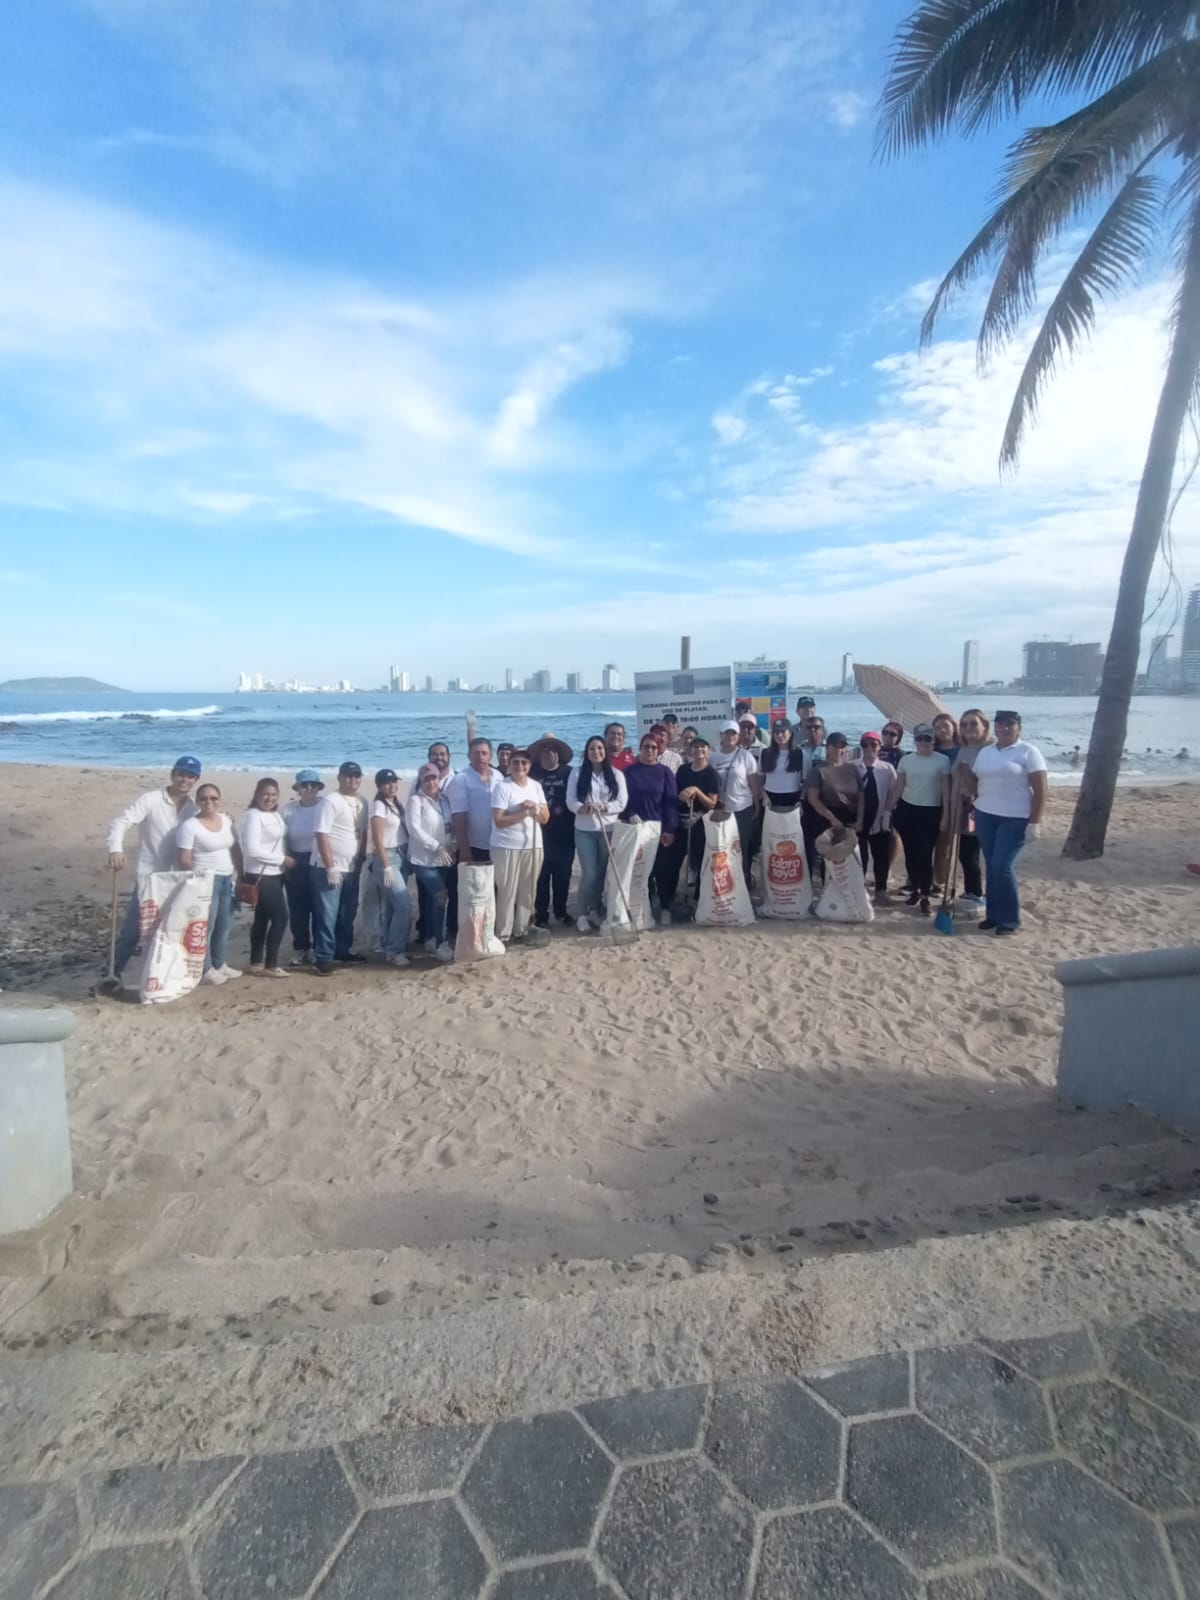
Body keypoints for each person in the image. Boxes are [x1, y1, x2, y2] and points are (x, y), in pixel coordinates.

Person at [104, 755, 201, 983]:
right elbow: (121, 822)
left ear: (195, 779)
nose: (184, 779)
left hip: (178, 878)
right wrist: (115, 849)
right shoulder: (151, 799)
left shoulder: (194, 809)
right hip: (149, 877)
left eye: (190, 776)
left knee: (171, 930)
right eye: (180, 774)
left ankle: (165, 976)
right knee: (132, 930)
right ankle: (111, 974)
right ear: (172, 774)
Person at [962, 710, 1047, 935]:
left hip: (1015, 817)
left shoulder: (1028, 752)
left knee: (1002, 866)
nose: (1004, 728)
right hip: (985, 814)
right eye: (1000, 724)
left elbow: (1040, 789)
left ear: (1018, 727)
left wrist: (1035, 822)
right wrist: (964, 773)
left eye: (1010, 724)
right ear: (995, 727)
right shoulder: (986, 752)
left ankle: (1009, 920)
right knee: (991, 866)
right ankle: (993, 915)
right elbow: (976, 786)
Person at [176, 782, 243, 983]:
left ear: (220, 800)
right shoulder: (190, 826)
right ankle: (205, 970)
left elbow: (234, 848)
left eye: (213, 798)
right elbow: (184, 858)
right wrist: (195, 871)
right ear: (197, 801)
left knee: (224, 925)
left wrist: (240, 872)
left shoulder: (226, 820)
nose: (209, 802)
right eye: (204, 798)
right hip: (206, 882)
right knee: (207, 926)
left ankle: (219, 963)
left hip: (227, 879)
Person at [309, 760, 366, 975]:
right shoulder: (330, 801)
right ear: (340, 778)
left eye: (357, 776)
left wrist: (360, 858)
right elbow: (321, 833)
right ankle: (324, 956)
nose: (353, 780)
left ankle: (343, 950)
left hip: (351, 867)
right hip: (327, 868)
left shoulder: (362, 801)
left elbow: (363, 832)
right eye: (349, 776)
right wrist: (330, 865)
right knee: (327, 914)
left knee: (347, 913)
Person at [567, 735, 627, 931]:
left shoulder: (616, 774)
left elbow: (621, 802)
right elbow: (570, 801)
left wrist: (605, 806)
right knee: (589, 874)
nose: (596, 752)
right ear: (587, 752)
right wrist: (582, 808)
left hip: (608, 829)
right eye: (592, 749)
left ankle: (595, 908)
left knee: (602, 873)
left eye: (600, 748)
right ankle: (582, 913)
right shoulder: (577, 773)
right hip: (584, 830)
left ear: (606, 751)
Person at [891, 725, 951, 915]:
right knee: (910, 854)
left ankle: (925, 895)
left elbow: (946, 791)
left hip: (931, 811)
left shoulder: (943, 761)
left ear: (933, 741)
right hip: (906, 810)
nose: (923, 742)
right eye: (920, 739)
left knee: (925, 855)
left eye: (927, 739)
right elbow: (899, 786)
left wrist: (946, 815)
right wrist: (887, 809)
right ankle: (915, 890)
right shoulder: (906, 760)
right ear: (915, 740)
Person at [490, 750, 548, 941]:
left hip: (533, 845)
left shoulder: (536, 786)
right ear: (509, 764)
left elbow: (545, 818)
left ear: (529, 765)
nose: (520, 766)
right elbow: (499, 821)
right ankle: (503, 933)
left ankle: (522, 929)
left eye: (524, 762)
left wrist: (535, 809)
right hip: (506, 846)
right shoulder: (502, 787)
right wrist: (524, 812)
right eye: (515, 762)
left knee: (528, 891)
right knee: (507, 891)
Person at [238, 777, 290, 976]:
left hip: (275, 873)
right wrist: (282, 859)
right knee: (281, 918)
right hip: (261, 874)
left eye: (273, 794)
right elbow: (252, 850)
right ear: (257, 794)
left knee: (262, 918)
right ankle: (271, 964)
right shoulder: (253, 816)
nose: (269, 798)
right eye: (265, 794)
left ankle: (255, 961)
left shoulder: (275, 815)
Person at [661, 733, 721, 906]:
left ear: (708, 750)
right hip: (681, 823)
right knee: (672, 863)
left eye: (703, 746)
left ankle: (697, 901)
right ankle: (668, 902)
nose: (699, 749)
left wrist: (696, 790)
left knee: (701, 863)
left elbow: (711, 803)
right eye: (696, 746)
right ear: (690, 749)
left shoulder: (711, 774)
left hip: (700, 824)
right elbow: (675, 795)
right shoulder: (682, 770)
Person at [623, 732, 679, 913]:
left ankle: (664, 907)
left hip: (659, 830)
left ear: (658, 750)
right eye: (646, 746)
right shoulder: (630, 772)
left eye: (653, 747)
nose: (649, 750)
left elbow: (671, 802)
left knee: (662, 870)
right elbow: (623, 801)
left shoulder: (665, 772)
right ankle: (641, 908)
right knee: (639, 870)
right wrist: (630, 814)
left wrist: (669, 829)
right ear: (640, 748)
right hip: (636, 828)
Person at [406, 763, 457, 960]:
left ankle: (429, 938)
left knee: (431, 901)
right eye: (426, 779)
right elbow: (415, 830)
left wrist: (453, 843)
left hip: (443, 859)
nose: (430, 782)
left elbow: (450, 825)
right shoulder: (416, 801)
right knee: (440, 895)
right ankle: (439, 942)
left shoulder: (445, 800)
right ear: (421, 781)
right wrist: (437, 846)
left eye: (434, 778)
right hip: (423, 860)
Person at [529, 734, 575, 928]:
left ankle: (561, 910)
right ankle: (541, 913)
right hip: (539, 834)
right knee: (541, 876)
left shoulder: (570, 772)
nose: (549, 755)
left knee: (563, 875)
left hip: (565, 834)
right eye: (545, 751)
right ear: (539, 755)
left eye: (553, 751)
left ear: (559, 755)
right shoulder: (532, 773)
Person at [367, 768, 412, 967]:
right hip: (388, 857)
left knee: (393, 906)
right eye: (387, 783)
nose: (392, 786)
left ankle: (388, 945)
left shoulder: (395, 803)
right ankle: (395, 951)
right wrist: (385, 866)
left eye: (394, 782)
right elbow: (377, 838)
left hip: (401, 855)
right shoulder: (379, 806)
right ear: (379, 786)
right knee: (404, 905)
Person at [710, 721, 759, 889]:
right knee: (722, 850)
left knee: (742, 849)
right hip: (721, 811)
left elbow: (754, 784)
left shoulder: (745, 756)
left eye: (733, 733)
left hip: (742, 809)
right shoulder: (713, 757)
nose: (730, 736)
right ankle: (725, 886)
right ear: (721, 735)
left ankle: (744, 885)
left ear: (738, 736)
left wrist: (757, 805)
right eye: (727, 733)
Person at [283, 769, 324, 966]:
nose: (309, 788)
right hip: (295, 860)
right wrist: (285, 858)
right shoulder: (289, 809)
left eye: (313, 785)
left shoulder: (325, 806)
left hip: (318, 859)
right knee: (298, 908)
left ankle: (317, 947)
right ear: (298, 788)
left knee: (319, 906)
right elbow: (278, 835)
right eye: (305, 785)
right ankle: (300, 947)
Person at [954, 709, 993, 904]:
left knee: (971, 853)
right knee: (965, 852)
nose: (968, 728)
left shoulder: (990, 749)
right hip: (962, 807)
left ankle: (977, 893)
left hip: (980, 807)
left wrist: (971, 785)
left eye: (973, 723)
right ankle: (971, 891)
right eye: (964, 724)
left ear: (984, 726)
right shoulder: (964, 748)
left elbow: (989, 782)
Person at [854, 733, 897, 902]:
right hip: (859, 817)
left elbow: (894, 792)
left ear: (879, 747)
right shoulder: (852, 767)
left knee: (881, 856)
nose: (869, 748)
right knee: (860, 855)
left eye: (873, 744)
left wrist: (888, 812)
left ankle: (881, 890)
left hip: (880, 817)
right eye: (865, 744)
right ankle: (859, 888)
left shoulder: (887, 769)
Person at [805, 732, 864, 849]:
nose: (838, 750)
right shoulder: (818, 770)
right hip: (827, 821)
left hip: (850, 820)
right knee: (831, 861)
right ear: (827, 748)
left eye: (842, 746)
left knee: (856, 858)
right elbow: (813, 799)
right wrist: (832, 819)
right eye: (835, 746)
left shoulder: (853, 769)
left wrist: (860, 820)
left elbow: (861, 797)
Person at [448, 738, 500, 862]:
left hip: (498, 843)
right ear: (469, 756)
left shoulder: (498, 776)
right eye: (476, 753)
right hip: (474, 845)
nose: (480, 757)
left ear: (491, 756)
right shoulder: (461, 779)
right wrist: (464, 850)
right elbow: (459, 816)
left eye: (484, 753)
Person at [932, 714, 961, 892]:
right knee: (928, 843)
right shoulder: (931, 749)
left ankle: (940, 881)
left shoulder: (963, 749)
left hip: (954, 800)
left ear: (954, 727)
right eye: (938, 728)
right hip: (931, 799)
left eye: (946, 726)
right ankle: (924, 879)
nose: (942, 731)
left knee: (945, 844)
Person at [759, 719, 806, 810]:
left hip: (793, 800)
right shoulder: (764, 753)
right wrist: (764, 796)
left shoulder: (801, 754)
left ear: (790, 733)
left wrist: (801, 800)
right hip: (769, 800)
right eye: (776, 732)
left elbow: (806, 782)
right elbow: (759, 778)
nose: (780, 735)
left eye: (783, 731)